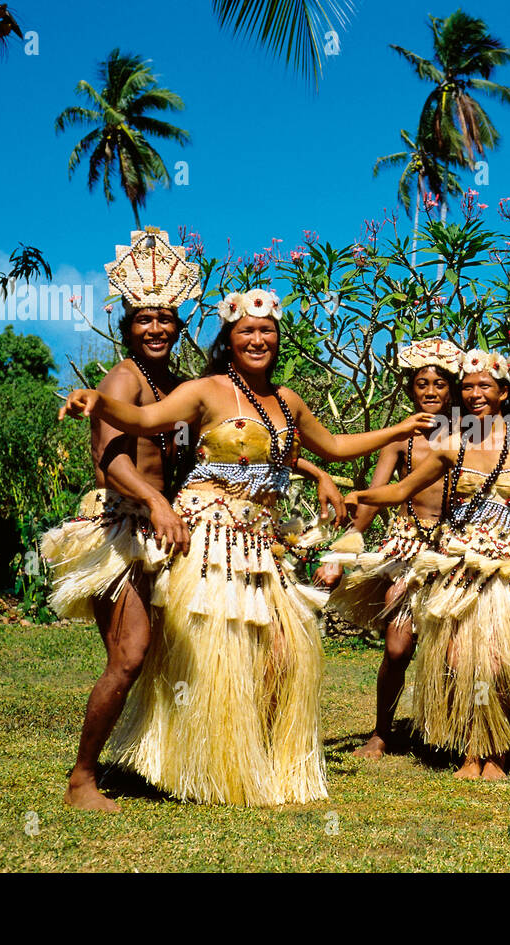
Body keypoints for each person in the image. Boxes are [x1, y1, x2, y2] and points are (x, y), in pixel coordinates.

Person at [58, 288, 433, 805]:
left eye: (267, 331)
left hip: (257, 543)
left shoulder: (285, 400)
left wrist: (395, 430)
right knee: (172, 658)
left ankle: (248, 762)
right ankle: (90, 776)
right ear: (228, 341)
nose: (258, 339)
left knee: (281, 654)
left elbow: (336, 445)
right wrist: (97, 400)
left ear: (278, 339)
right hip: (206, 537)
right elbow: (143, 422)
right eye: (246, 332)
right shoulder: (204, 389)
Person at [43, 233, 345, 812]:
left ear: (181, 324)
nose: (155, 329)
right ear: (128, 325)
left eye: (165, 318)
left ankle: (192, 759)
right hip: (127, 527)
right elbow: (110, 460)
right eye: (143, 320)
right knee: (130, 655)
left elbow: (247, 446)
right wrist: (155, 504)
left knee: (206, 648)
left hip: (179, 527)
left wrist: (314, 470)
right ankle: (83, 777)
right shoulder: (123, 380)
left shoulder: (181, 385)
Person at [348, 349, 510, 780]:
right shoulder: (451, 444)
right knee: (458, 655)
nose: (473, 394)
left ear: (503, 392)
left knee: (500, 659)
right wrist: (354, 498)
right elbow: (399, 492)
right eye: (467, 387)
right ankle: (471, 748)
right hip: (460, 564)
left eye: (484, 386)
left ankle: (497, 751)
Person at [317, 339, 463, 759]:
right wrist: (341, 554)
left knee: (452, 650)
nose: (431, 391)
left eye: (439, 383)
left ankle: (449, 732)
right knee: (398, 648)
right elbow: (377, 494)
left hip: (455, 547)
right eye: (422, 384)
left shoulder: (469, 436)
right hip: (406, 547)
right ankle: (382, 732)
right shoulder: (402, 439)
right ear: (410, 390)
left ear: (452, 388)